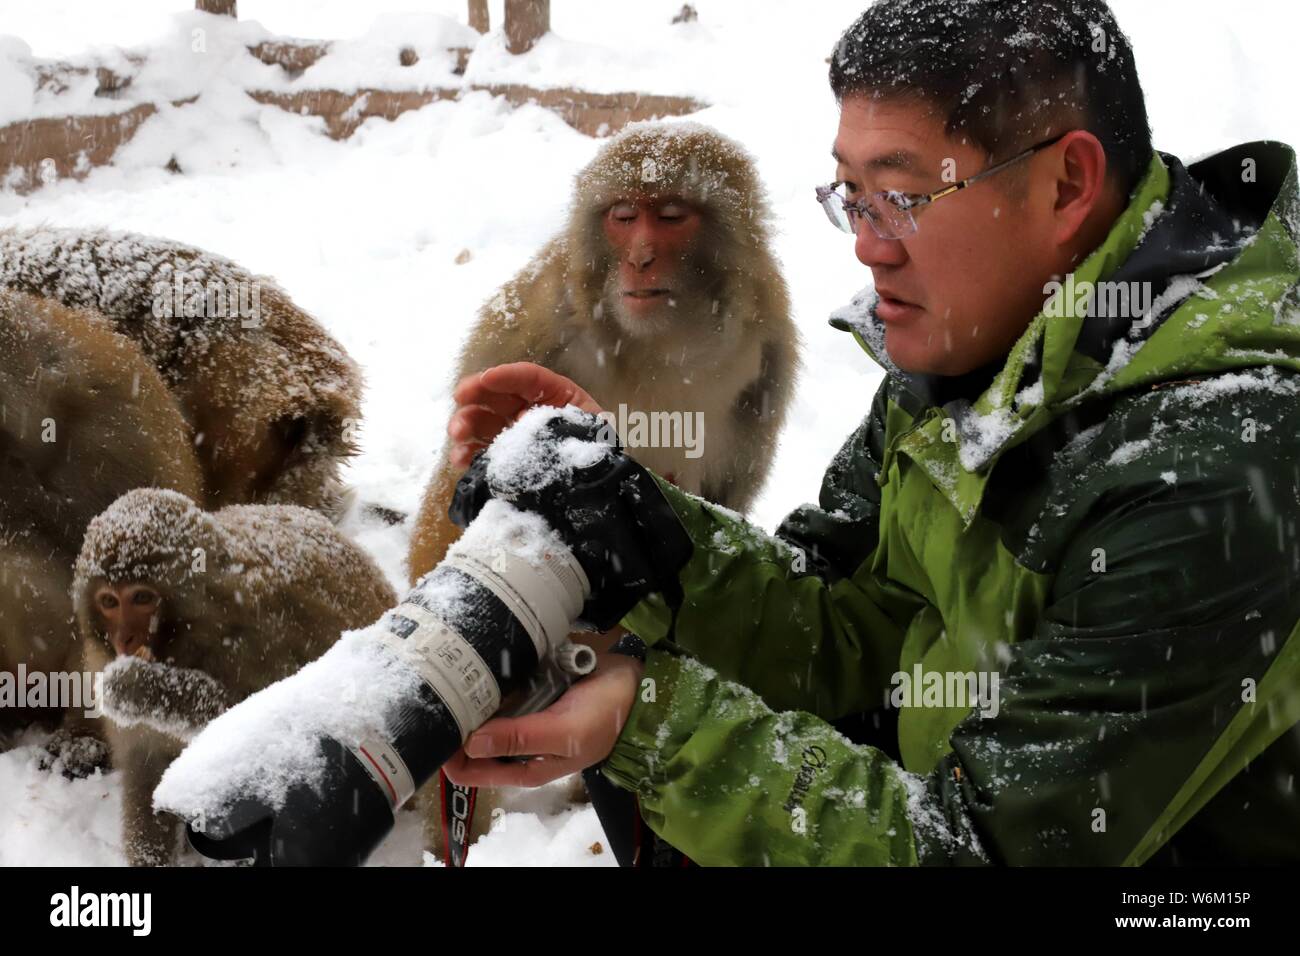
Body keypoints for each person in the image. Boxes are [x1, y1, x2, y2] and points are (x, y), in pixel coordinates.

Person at [441, 0, 1300, 865]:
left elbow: (981, 851)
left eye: (902, 195)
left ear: (1067, 184)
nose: (866, 247)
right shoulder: (991, 337)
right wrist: (633, 525)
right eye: (852, 196)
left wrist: (651, 720)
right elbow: (848, 615)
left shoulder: (1213, 465)